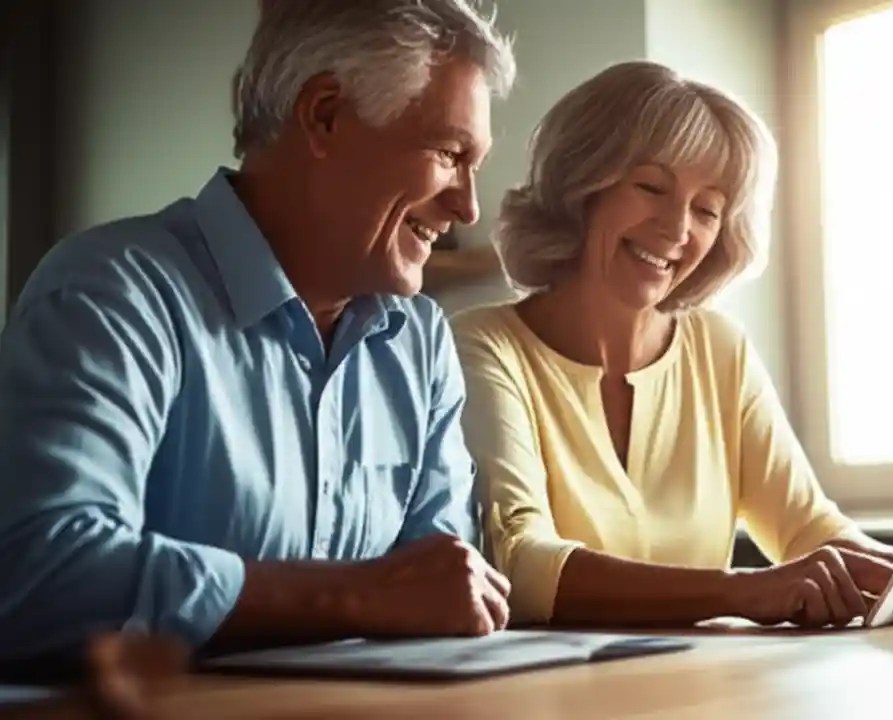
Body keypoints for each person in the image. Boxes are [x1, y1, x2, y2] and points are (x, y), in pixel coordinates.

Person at [0, 0, 516, 667]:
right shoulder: (112, 290)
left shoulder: (421, 343)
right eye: (450, 154)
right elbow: (42, 572)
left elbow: (443, 593)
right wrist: (356, 597)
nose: (468, 205)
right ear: (324, 115)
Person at [453, 61, 893, 629]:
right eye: (650, 186)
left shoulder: (719, 347)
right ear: (580, 187)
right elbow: (520, 566)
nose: (677, 229)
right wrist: (740, 591)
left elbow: (805, 527)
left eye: (707, 209)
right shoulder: (485, 346)